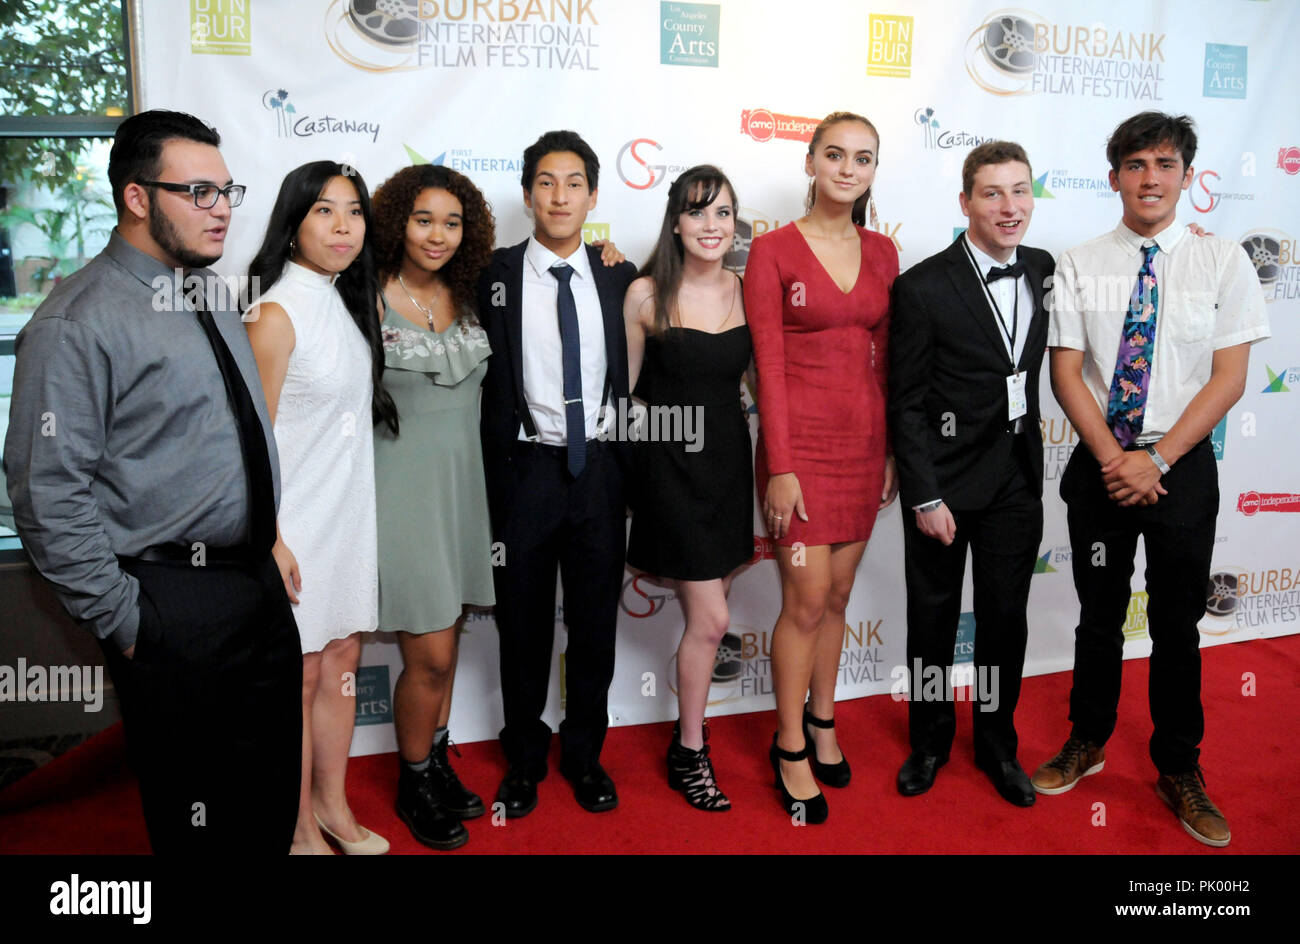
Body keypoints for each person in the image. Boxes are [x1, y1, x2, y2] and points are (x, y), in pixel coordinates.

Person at [3, 110, 301, 853]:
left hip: (256, 587)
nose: (224, 207)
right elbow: (47, 491)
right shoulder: (77, 321)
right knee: (200, 818)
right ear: (138, 198)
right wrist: (129, 622)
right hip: (170, 605)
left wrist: (267, 544)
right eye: (199, 192)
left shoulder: (207, 291)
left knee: (267, 800)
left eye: (226, 189)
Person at [1033, 112, 1268, 847]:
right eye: (1135, 165)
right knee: (1098, 617)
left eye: (1165, 164)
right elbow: (1065, 372)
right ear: (1114, 178)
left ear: (1187, 177)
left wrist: (1157, 461)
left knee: (1176, 625)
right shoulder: (1079, 263)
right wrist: (1115, 460)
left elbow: (1230, 378)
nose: (1150, 178)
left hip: (1181, 467)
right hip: (1105, 463)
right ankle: (1088, 740)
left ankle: (1179, 768)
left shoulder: (1223, 261)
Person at [888, 141, 1054, 807]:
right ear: (966, 203)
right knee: (932, 620)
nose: (1009, 207)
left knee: (1005, 618)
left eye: (1020, 191)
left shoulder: (1043, 268)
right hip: (945, 484)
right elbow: (905, 403)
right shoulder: (923, 286)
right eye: (992, 193)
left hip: (1016, 475)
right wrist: (923, 493)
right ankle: (928, 741)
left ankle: (996, 744)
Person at [744, 111, 899, 823]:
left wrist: (893, 448)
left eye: (862, 158)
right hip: (797, 452)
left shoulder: (885, 252)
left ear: (873, 171)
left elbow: (889, 359)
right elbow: (766, 367)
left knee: (837, 598)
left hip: (864, 449)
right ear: (810, 162)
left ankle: (825, 719)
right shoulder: (773, 251)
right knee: (803, 601)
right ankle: (788, 744)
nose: (847, 168)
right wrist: (780, 466)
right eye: (834, 154)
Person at [478, 130, 637, 818]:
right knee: (522, 626)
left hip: (599, 472)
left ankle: (585, 753)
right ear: (526, 194)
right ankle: (522, 757)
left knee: (596, 625)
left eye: (574, 183)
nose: (560, 195)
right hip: (525, 474)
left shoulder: (620, 275)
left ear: (594, 195)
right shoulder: (492, 276)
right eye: (546, 182)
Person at [244, 160, 398, 855]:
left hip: (345, 519)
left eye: (354, 211)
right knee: (303, 675)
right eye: (324, 211)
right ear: (293, 222)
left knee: (343, 659)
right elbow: (249, 442)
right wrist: (270, 537)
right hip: (294, 527)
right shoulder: (273, 314)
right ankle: (298, 827)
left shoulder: (345, 299)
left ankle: (334, 808)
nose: (343, 226)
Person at [368, 163, 497, 850]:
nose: (438, 235)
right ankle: (412, 778)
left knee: (446, 645)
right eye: (424, 219)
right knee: (433, 657)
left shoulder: (471, 294)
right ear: (397, 222)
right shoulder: (363, 298)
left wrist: (608, 254)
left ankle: (436, 761)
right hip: (401, 501)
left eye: (452, 222)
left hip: (463, 499)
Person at [624, 165, 752, 812]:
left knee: (708, 622)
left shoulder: (747, 291)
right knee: (714, 620)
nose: (711, 225)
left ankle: (686, 742)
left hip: (730, 473)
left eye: (723, 213)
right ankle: (691, 749)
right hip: (669, 477)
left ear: (735, 223)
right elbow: (625, 402)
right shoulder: (645, 294)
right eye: (698, 212)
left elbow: (762, 388)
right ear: (676, 221)